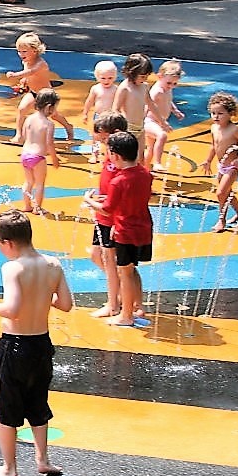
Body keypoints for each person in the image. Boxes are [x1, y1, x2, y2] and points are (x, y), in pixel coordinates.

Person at [0, 209, 72, 476]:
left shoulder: (13, 267)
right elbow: (65, 304)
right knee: (37, 401)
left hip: (15, 345)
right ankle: (42, 460)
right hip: (42, 343)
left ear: (8, 243)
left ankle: (9, 468)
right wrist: (40, 299)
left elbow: (12, 310)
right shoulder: (53, 264)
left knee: (7, 405)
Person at [85, 130, 153, 328]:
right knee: (130, 271)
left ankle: (126, 316)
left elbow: (107, 210)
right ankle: (132, 310)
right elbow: (132, 198)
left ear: (114, 155)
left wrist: (89, 200)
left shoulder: (118, 181)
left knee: (124, 272)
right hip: (143, 228)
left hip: (125, 231)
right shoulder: (145, 174)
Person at [84, 111, 129, 318]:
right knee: (96, 254)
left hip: (111, 217)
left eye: (104, 138)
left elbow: (122, 190)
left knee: (109, 259)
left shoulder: (121, 160)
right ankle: (119, 292)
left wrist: (99, 202)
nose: (102, 142)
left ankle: (113, 304)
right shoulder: (110, 156)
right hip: (103, 212)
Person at [201, 91, 238, 232]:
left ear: (230, 113)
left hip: (232, 168)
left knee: (220, 193)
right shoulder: (213, 128)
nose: (216, 116)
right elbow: (214, 145)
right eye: (213, 113)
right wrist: (208, 160)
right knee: (227, 193)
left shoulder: (234, 130)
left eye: (220, 113)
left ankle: (221, 220)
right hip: (221, 166)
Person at [4, 31, 60, 144]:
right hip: (33, 92)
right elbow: (28, 74)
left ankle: (68, 126)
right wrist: (24, 81)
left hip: (45, 95)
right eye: (19, 51)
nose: (21, 54)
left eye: (24, 51)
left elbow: (31, 72)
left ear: (35, 51)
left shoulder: (40, 63)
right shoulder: (26, 61)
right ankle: (19, 135)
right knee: (21, 109)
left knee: (53, 115)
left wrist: (15, 75)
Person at [17, 88, 63, 215]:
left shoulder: (29, 119)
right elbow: (49, 144)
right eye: (55, 108)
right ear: (49, 107)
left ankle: (27, 205)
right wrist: (54, 159)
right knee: (40, 184)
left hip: (25, 154)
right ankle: (37, 208)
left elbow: (25, 136)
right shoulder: (48, 124)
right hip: (38, 157)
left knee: (28, 182)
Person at [112, 53, 154, 166]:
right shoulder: (124, 88)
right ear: (132, 73)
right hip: (128, 129)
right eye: (142, 76)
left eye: (146, 76)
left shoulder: (144, 86)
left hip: (140, 127)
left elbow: (151, 104)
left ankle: (140, 179)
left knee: (140, 158)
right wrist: (117, 130)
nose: (145, 79)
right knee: (127, 159)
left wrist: (162, 121)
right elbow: (115, 109)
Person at [145, 60, 186, 169]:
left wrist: (175, 110)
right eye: (169, 83)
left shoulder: (167, 89)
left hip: (158, 122)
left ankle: (144, 168)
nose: (171, 86)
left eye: (175, 83)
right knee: (162, 136)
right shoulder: (157, 91)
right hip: (150, 121)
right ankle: (157, 163)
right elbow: (148, 104)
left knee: (151, 148)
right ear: (159, 76)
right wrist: (141, 120)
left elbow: (168, 101)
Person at [81, 60, 120, 161]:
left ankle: (109, 156)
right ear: (97, 77)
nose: (106, 81)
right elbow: (89, 101)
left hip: (111, 118)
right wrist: (85, 113)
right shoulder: (95, 89)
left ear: (115, 76)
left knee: (110, 138)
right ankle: (95, 154)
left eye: (110, 78)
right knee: (96, 137)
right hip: (98, 116)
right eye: (103, 78)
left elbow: (120, 102)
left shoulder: (116, 89)